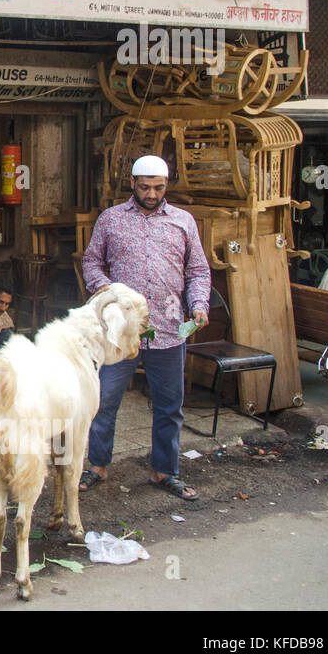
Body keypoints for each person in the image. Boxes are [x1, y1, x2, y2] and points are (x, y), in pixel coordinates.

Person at [80, 155, 210, 501]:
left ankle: (164, 471)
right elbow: (91, 262)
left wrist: (198, 304)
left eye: (158, 187)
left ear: (167, 185)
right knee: (104, 399)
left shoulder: (183, 221)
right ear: (132, 184)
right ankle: (97, 465)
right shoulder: (111, 220)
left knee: (170, 405)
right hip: (121, 331)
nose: (151, 194)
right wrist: (106, 290)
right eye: (144, 187)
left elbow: (198, 270)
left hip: (168, 329)